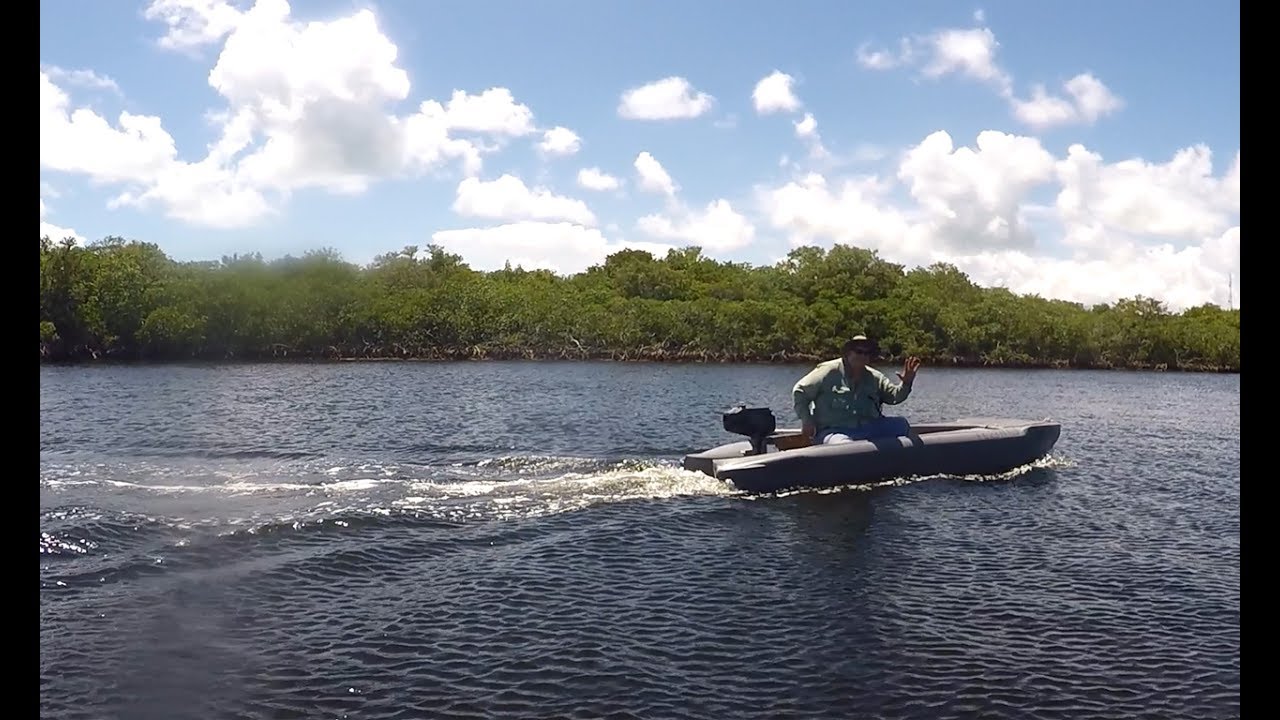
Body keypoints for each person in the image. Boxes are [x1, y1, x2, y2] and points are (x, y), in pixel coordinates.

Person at [792, 335, 922, 444]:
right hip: (833, 431)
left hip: (868, 428)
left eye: (867, 353)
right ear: (848, 353)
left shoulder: (875, 377)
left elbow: (894, 397)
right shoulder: (828, 371)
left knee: (901, 424)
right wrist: (807, 421)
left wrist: (906, 383)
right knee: (845, 445)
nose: (863, 356)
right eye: (859, 351)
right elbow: (800, 391)